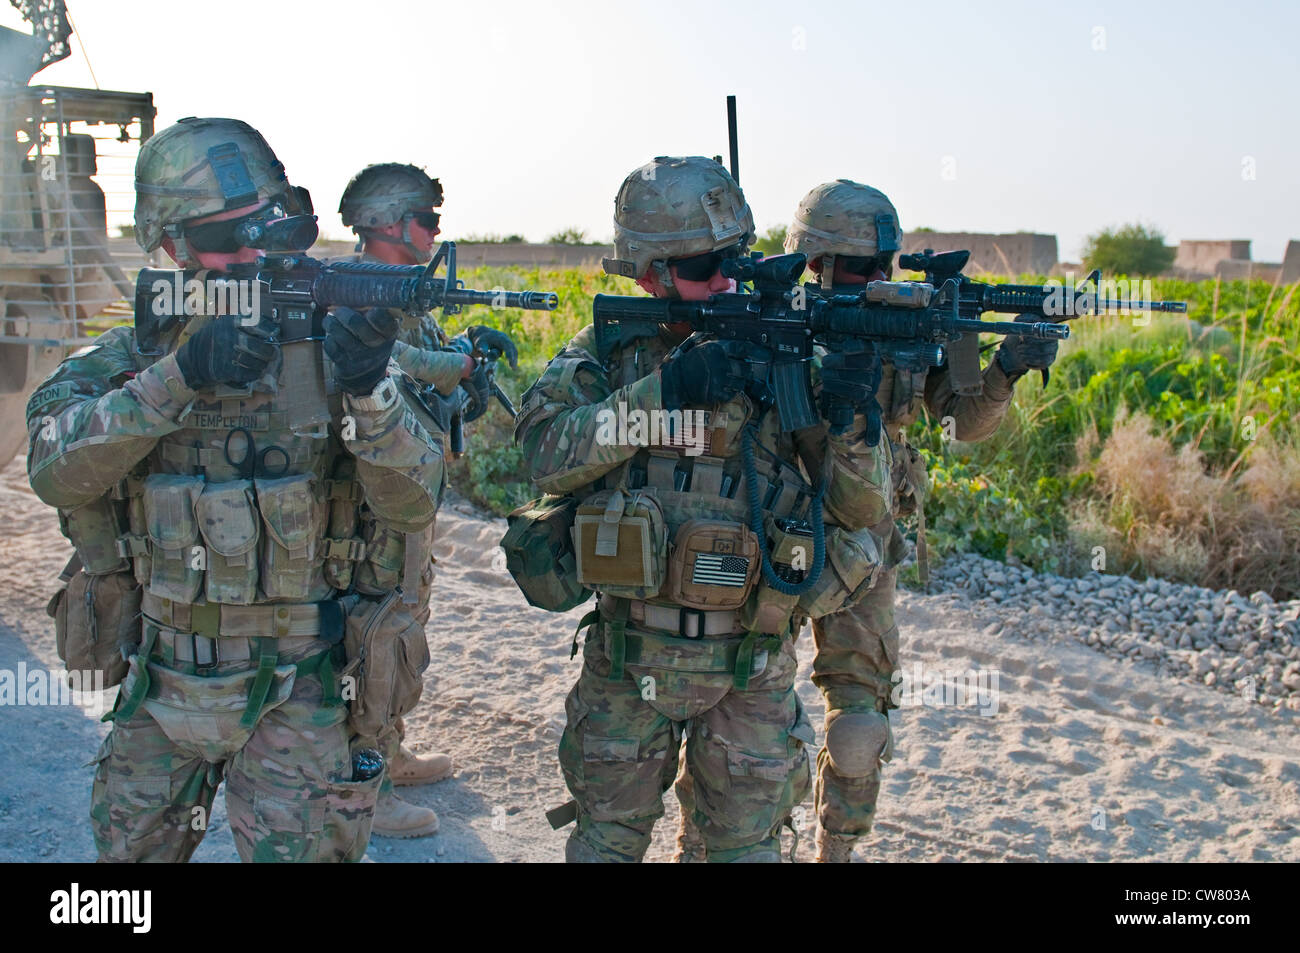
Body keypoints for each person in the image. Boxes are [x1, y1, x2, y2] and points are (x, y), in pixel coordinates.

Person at [26, 117, 447, 862]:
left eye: (265, 229)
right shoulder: (133, 356)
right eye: (227, 238)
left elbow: (415, 501)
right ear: (171, 246)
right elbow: (56, 467)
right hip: (159, 681)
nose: (253, 252)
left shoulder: (326, 349)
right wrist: (178, 377)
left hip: (301, 689)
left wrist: (368, 390)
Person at [513, 157, 893, 862]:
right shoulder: (611, 351)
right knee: (603, 845)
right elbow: (541, 453)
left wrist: (852, 420)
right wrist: (667, 391)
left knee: (744, 852)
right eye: (700, 267)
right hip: (627, 662)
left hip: (750, 669)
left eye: (733, 260)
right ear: (649, 273)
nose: (723, 281)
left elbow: (863, 509)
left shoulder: (789, 351)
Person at [784, 179, 1060, 862]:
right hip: (771, 529)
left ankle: (835, 852)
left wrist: (1002, 369)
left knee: (859, 723)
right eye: (857, 268)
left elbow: (964, 419)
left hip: (865, 545)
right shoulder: (775, 322)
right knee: (741, 709)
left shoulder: (915, 324)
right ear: (813, 265)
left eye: (885, 266)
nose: (877, 281)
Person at [336, 162, 517, 838]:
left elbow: (426, 356)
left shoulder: (404, 297)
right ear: (391, 223)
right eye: (429, 221)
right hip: (366, 504)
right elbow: (389, 366)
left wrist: (466, 358)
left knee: (406, 622)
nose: (438, 232)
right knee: (376, 637)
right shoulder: (350, 295)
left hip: (407, 495)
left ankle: (386, 747)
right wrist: (457, 366)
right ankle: (361, 788)